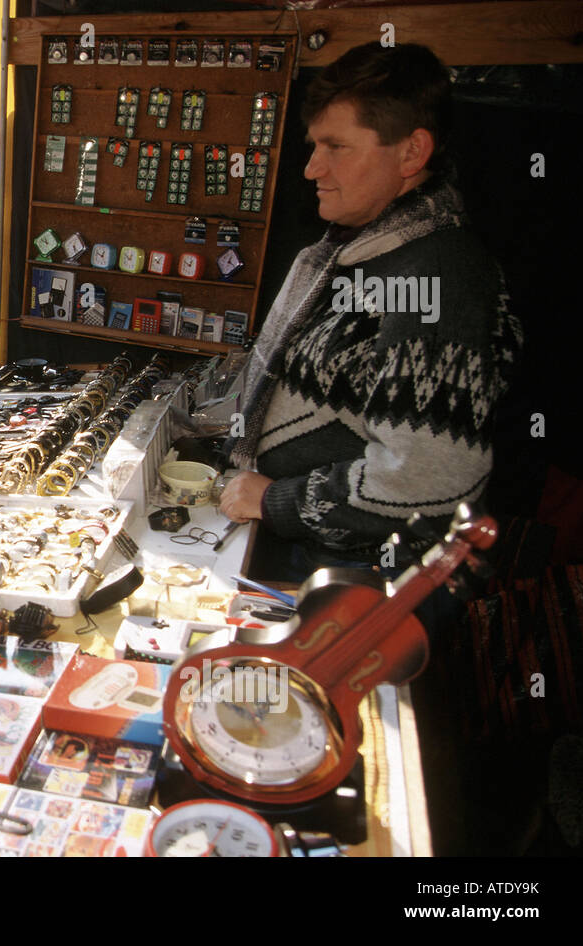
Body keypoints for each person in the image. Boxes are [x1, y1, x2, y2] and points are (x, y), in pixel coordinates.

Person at [218, 42, 522, 584]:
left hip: (354, 576)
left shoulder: (438, 277)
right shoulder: (362, 250)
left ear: (411, 153)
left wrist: (277, 500)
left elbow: (426, 484)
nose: (312, 168)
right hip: (300, 550)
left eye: (337, 146)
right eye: (315, 146)